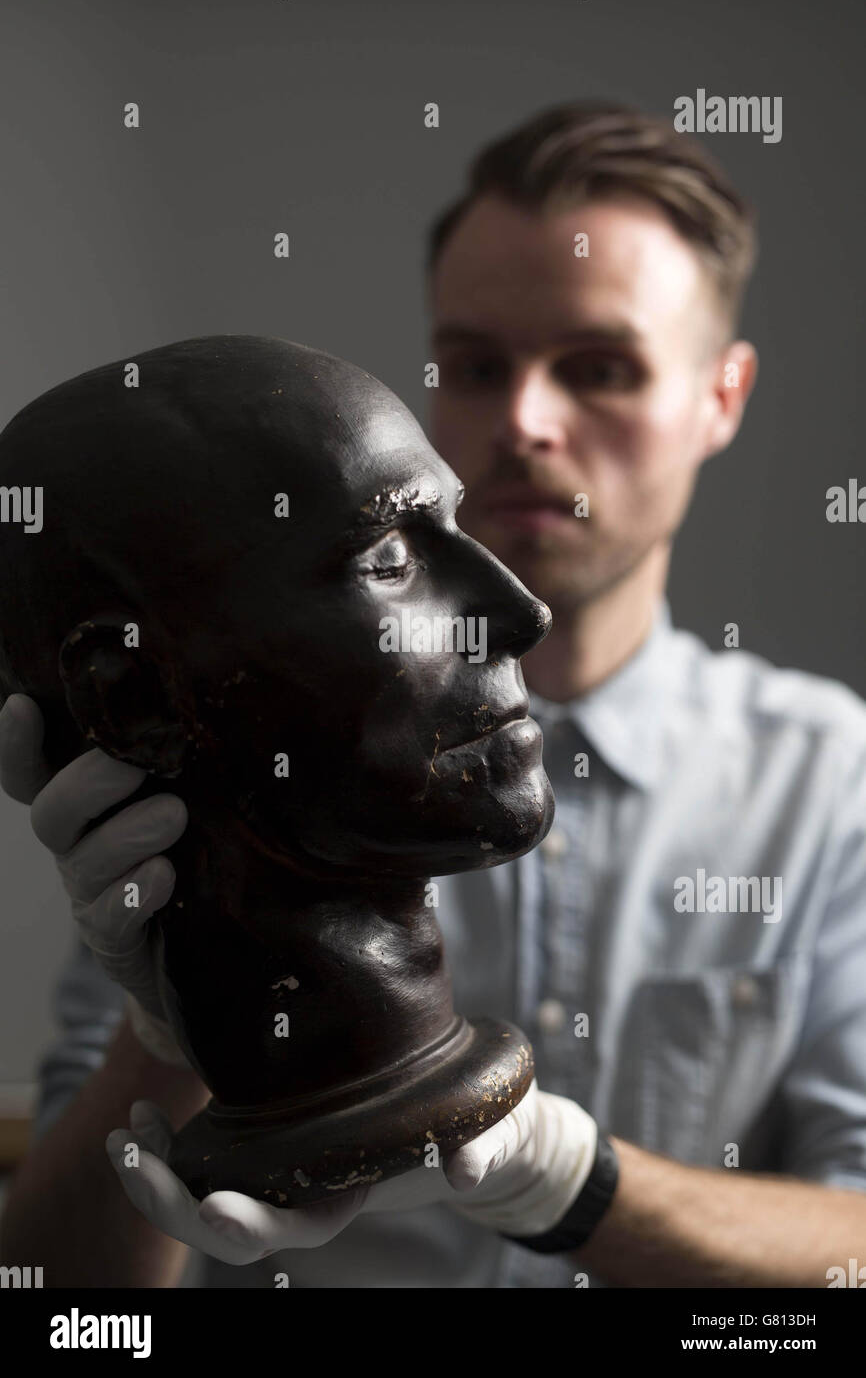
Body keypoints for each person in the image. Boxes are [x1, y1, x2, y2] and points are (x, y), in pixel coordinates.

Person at [2, 101, 866, 1289]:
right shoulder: (215, 775)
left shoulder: (831, 781)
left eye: (599, 366)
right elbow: (66, 1318)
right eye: (474, 364)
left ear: (719, 396)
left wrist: (561, 1177)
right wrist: (169, 1049)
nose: (523, 421)